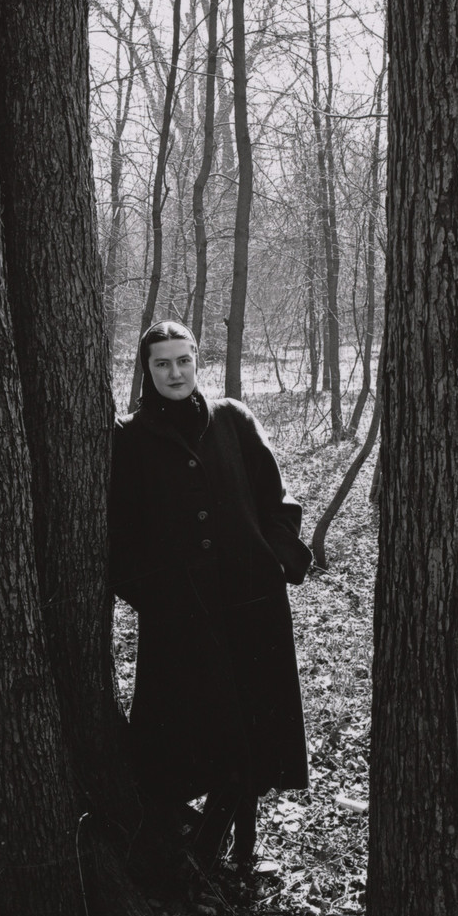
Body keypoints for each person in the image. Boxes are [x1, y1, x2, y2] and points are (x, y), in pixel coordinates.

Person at [108, 319, 311, 870]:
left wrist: (274, 561)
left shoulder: (233, 419)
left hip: (252, 608)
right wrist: (157, 598)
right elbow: (120, 536)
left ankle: (241, 848)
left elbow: (278, 500)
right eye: (162, 363)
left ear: (197, 361)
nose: (175, 373)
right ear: (147, 370)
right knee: (192, 729)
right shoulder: (129, 437)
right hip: (180, 617)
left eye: (184, 360)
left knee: (253, 721)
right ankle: (198, 846)